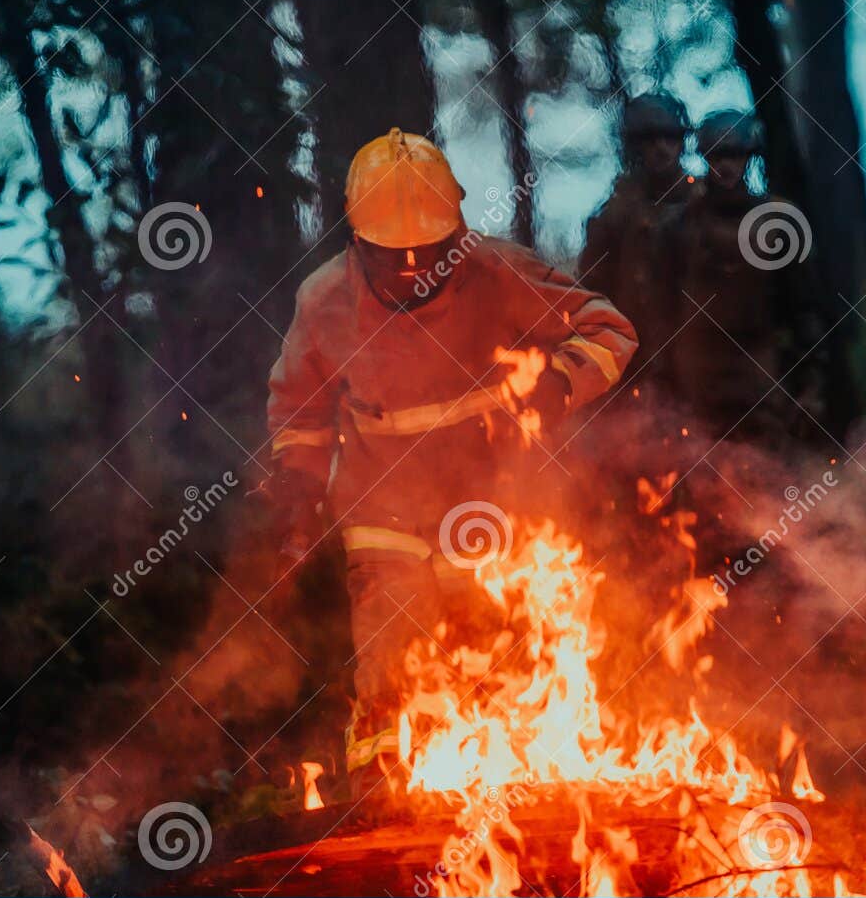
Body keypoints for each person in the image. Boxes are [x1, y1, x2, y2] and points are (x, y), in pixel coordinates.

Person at [264, 128, 636, 776]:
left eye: (429, 250)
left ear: (456, 233)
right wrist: (296, 483)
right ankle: (383, 809)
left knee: (505, 666)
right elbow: (300, 409)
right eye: (393, 256)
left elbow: (609, 328)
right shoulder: (324, 302)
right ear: (358, 241)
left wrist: (559, 381)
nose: (414, 268)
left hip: (494, 503)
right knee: (389, 675)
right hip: (384, 511)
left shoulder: (497, 272)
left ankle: (517, 809)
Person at [666, 109, 827, 443]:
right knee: (696, 473)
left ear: (749, 158)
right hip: (696, 370)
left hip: (760, 368)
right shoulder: (679, 226)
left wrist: (811, 382)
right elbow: (660, 307)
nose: (726, 166)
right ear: (705, 158)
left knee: (766, 474)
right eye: (718, 155)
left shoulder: (778, 222)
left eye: (735, 155)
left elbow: (804, 308)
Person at [577, 92, 693, 387]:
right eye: (650, 140)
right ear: (635, 147)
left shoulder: (706, 206)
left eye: (670, 138)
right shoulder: (615, 217)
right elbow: (593, 290)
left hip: (703, 359)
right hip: (640, 364)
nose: (662, 149)